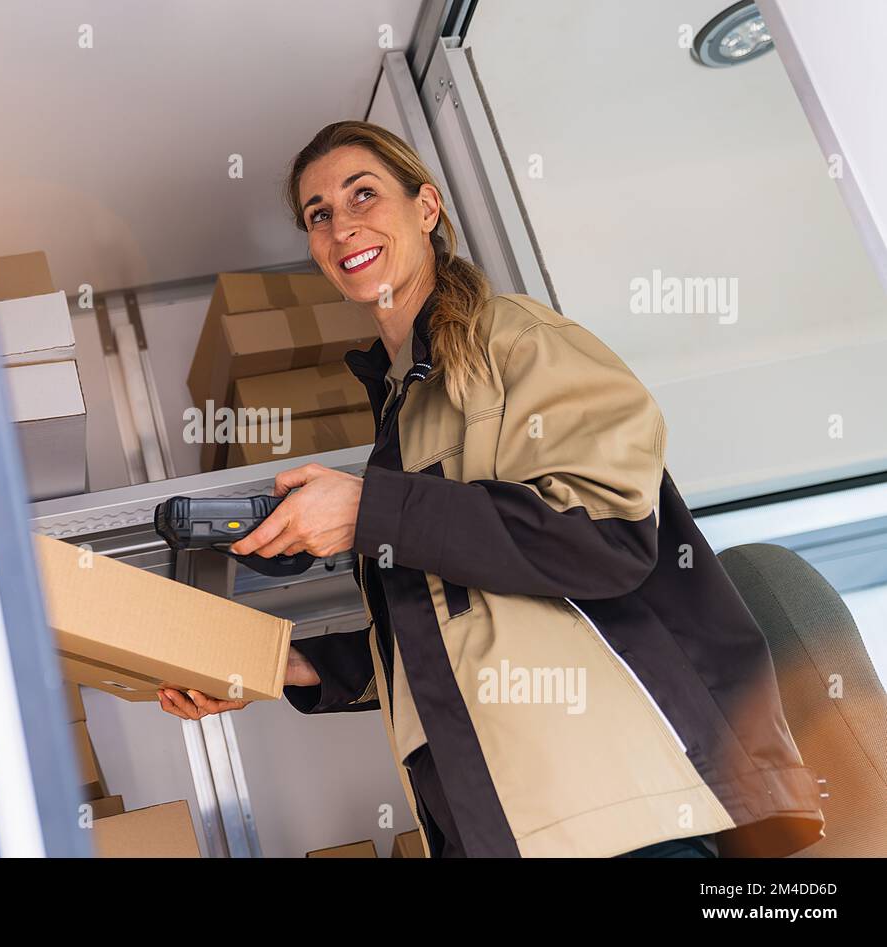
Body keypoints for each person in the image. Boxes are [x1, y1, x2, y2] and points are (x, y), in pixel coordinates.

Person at [158, 120, 824, 859]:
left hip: (615, 818)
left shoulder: (514, 339)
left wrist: (368, 510)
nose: (342, 225)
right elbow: (454, 625)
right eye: (319, 215)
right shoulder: (400, 413)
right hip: (500, 831)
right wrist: (293, 668)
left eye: (363, 195)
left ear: (427, 207)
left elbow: (608, 535)